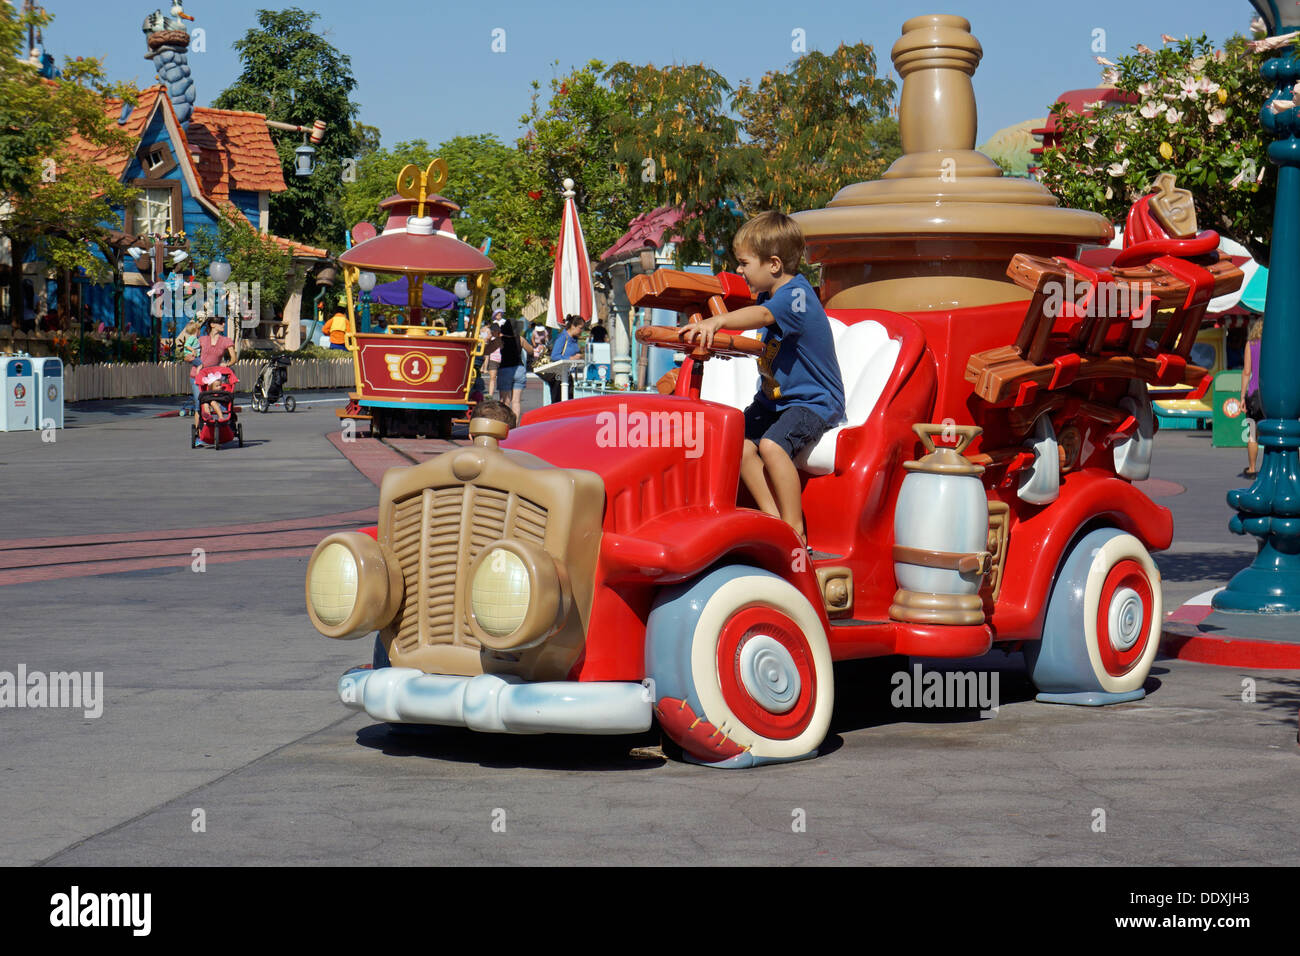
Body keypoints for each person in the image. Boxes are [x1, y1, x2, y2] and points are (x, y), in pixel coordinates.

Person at [681, 210, 845, 545]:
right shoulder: (770, 294)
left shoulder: (796, 296)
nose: (739, 271)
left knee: (771, 445)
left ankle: (795, 530)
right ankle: (774, 524)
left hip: (812, 401)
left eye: (743, 263)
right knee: (734, 444)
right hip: (773, 401)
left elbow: (764, 315)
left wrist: (718, 322)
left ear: (773, 264)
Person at [487, 313, 526, 421]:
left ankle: (504, 424)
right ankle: (515, 426)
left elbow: (487, 350)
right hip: (519, 369)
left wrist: (489, 340)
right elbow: (531, 350)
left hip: (505, 369)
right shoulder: (520, 339)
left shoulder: (500, 340)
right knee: (516, 401)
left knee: (505, 401)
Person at [1240, 316, 1264, 478]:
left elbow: (1247, 372)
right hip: (1272, 394)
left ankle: (1252, 469)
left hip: (1254, 394)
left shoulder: (1251, 345)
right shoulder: (1276, 346)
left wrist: (1242, 396)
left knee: (1253, 433)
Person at [480, 309, 504, 394]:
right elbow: (484, 340)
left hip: (502, 360)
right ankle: (490, 395)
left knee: (502, 379)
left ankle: (503, 396)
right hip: (493, 360)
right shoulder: (490, 338)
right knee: (492, 378)